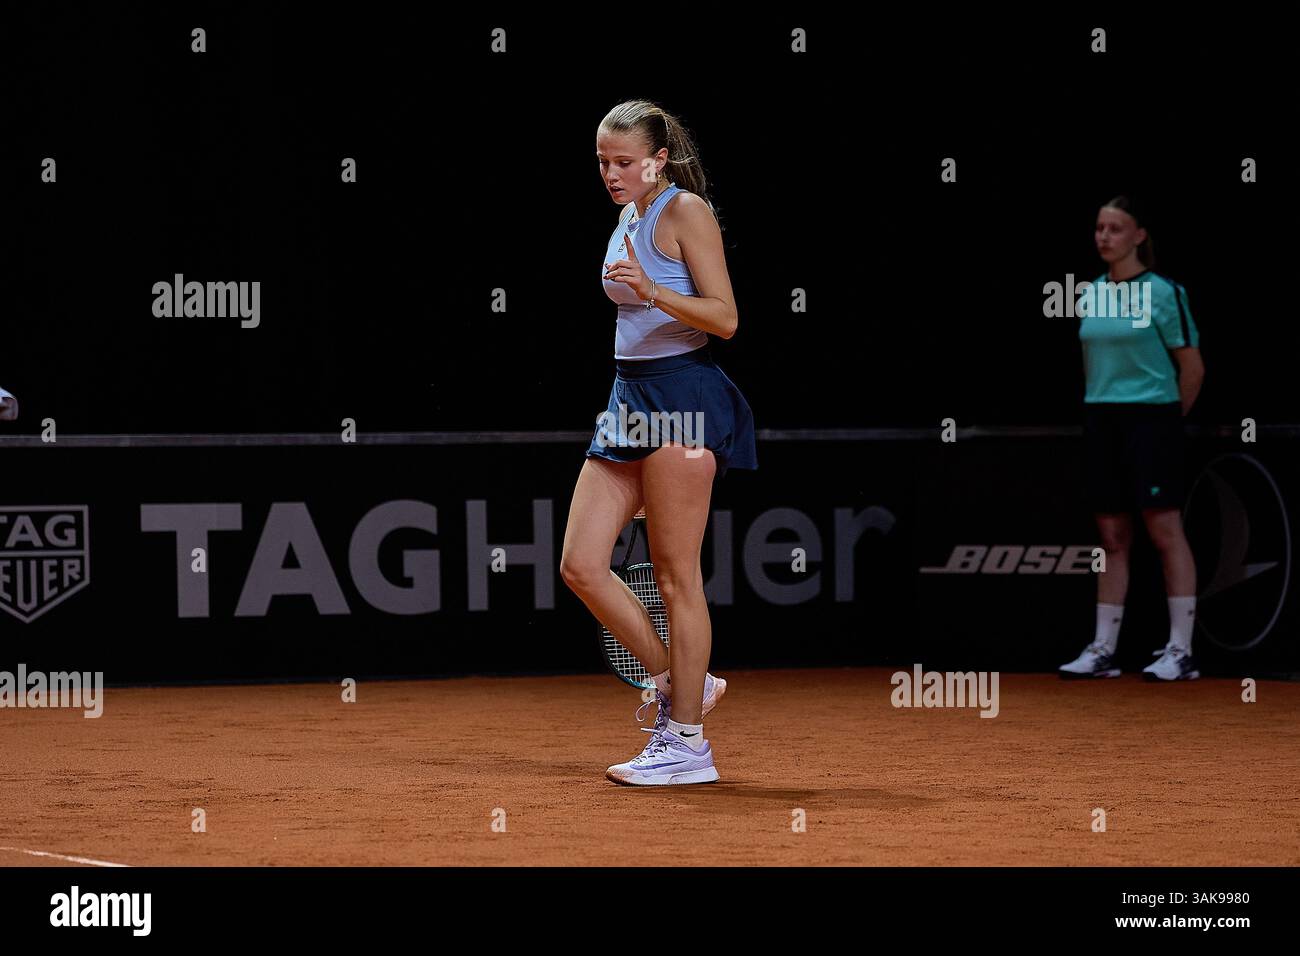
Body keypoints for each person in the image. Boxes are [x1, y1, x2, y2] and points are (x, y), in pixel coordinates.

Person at [560, 100, 758, 785]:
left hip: (683, 398)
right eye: (602, 162)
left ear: (659, 159)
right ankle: (683, 682)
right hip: (628, 399)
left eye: (624, 162)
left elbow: (725, 318)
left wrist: (651, 290)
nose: (610, 174)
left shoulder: (685, 212)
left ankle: (688, 744)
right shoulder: (628, 218)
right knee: (581, 564)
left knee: (676, 578)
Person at [1060, 196, 1205, 681]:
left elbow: (1192, 368)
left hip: (1153, 419)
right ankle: (1103, 649)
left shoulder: (1165, 292)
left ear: (1139, 235)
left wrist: (1166, 423)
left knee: (1164, 531)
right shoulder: (1090, 292)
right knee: (1111, 537)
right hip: (1102, 419)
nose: (1104, 236)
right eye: (1099, 227)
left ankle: (1181, 651)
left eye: (1115, 228)